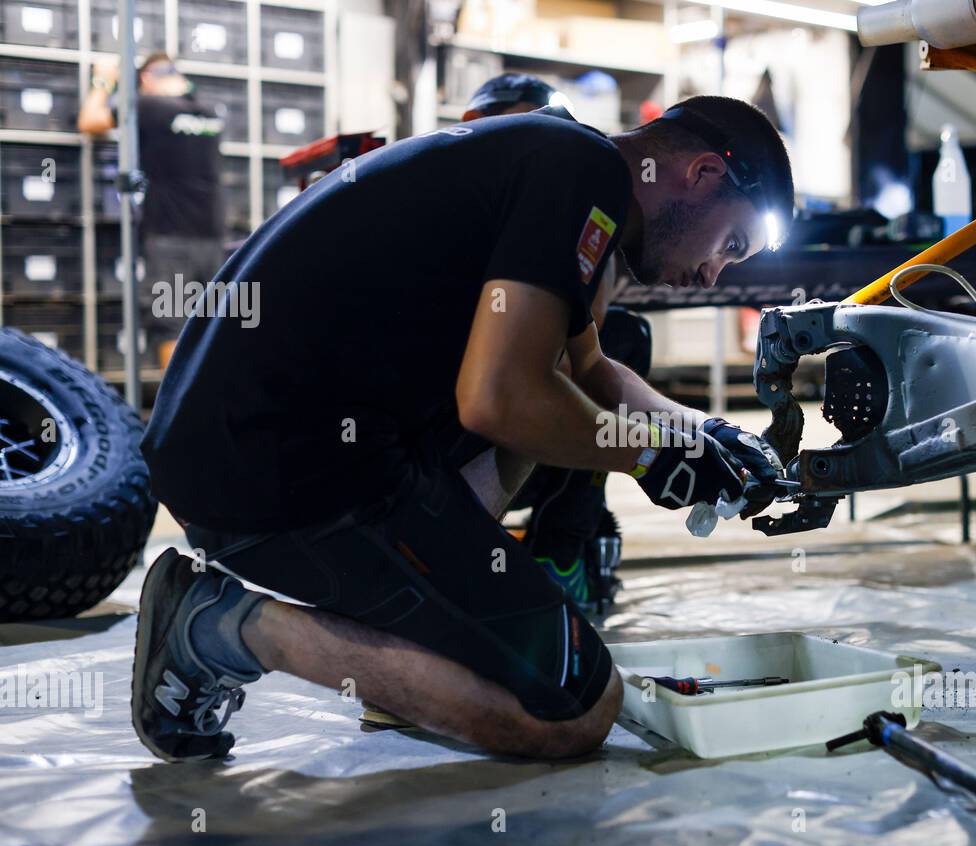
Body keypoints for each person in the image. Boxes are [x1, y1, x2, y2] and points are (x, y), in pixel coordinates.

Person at [132, 95, 794, 762]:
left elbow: (590, 366)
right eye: (731, 245)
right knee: (574, 711)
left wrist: (708, 435)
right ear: (703, 173)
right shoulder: (583, 170)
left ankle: (418, 629)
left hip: (257, 437)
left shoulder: (564, 161)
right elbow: (498, 399)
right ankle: (220, 625)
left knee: (555, 358)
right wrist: (651, 456)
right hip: (275, 462)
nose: (712, 273)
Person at [460, 72, 652, 611]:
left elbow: (584, 335)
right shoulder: (457, 187)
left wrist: (675, 440)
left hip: (524, 418)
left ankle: (560, 552)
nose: (540, 136)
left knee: (621, 338)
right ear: (473, 124)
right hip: (450, 402)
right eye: (526, 120)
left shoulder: (565, 196)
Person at [78, 52, 226, 368]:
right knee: (214, 328)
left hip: (170, 238)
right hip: (213, 238)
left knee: (171, 326)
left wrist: (104, 81)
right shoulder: (210, 112)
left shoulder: (149, 107)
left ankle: (177, 415)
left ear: (146, 79)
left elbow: (90, 122)